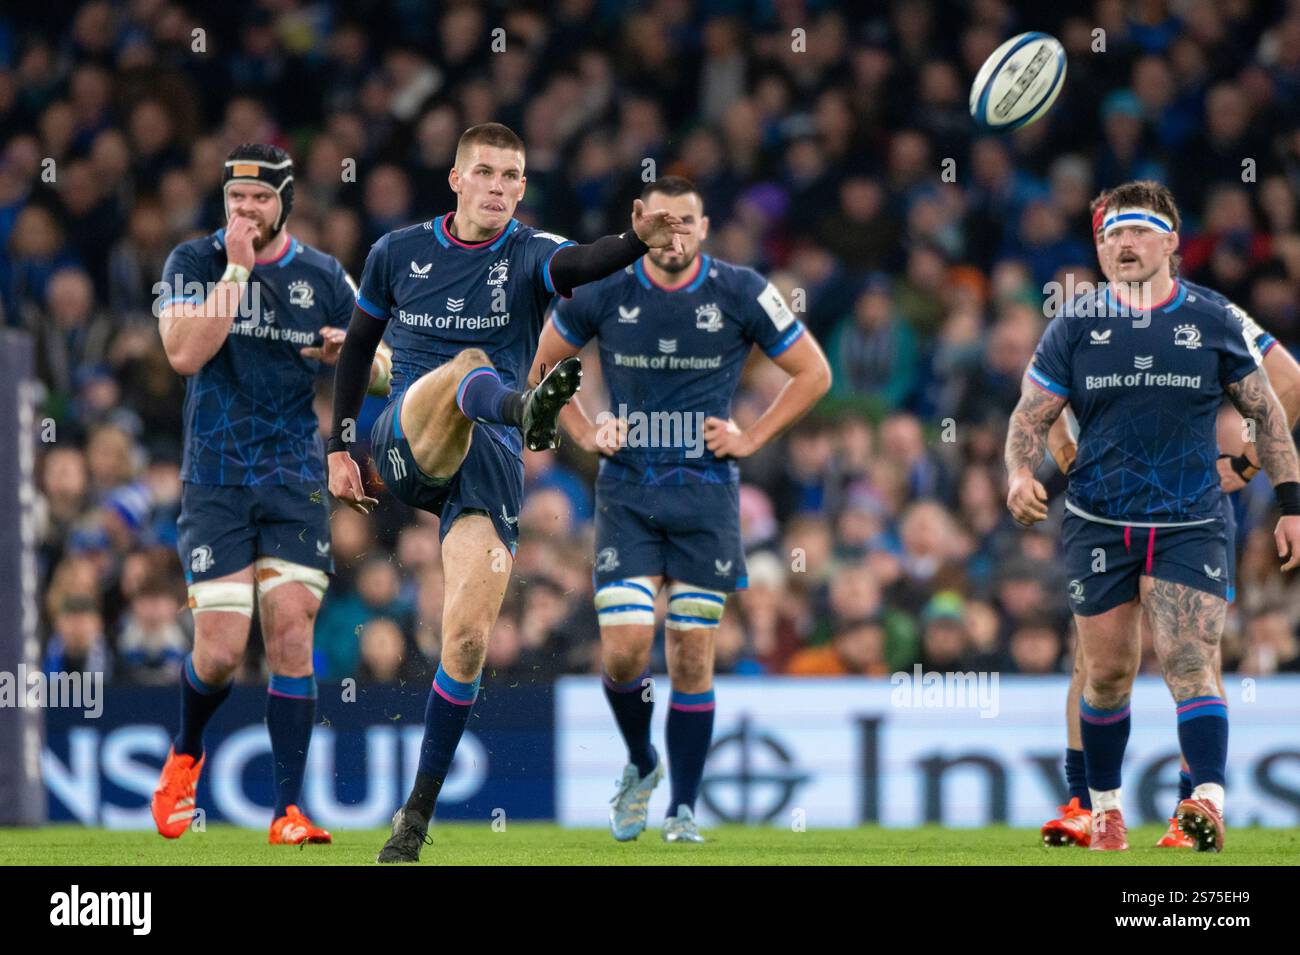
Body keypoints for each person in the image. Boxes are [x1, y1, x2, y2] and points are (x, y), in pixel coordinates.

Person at [326, 122, 689, 863]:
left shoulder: (529, 252)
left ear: (523, 188)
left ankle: (412, 823)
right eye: (485, 172)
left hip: (487, 464)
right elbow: (362, 346)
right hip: (408, 434)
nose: (498, 186)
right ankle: (527, 409)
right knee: (464, 368)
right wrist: (337, 445)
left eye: (511, 176)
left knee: (464, 642)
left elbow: (585, 262)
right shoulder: (397, 252)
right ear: (456, 180)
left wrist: (635, 237)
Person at [529, 176, 831, 843]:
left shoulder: (742, 289)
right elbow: (541, 365)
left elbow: (815, 372)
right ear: (638, 219)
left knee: (693, 656)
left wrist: (751, 436)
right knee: (623, 652)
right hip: (628, 495)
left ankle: (683, 809)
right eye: (662, 221)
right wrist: (583, 431)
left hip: (706, 498)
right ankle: (641, 761)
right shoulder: (604, 288)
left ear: (705, 224)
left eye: (687, 221)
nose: (676, 233)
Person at [1005, 179, 1300, 852]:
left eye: (1138, 230)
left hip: (1190, 518)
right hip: (1099, 519)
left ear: (1173, 242)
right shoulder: (1074, 322)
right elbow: (1033, 414)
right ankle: (1097, 807)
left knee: (1190, 659)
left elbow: (1274, 404)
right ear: (1098, 247)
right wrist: (1022, 471)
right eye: (1111, 233)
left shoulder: (1215, 316)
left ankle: (1203, 803)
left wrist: (1281, 494)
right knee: (1103, 670)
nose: (1124, 243)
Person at [150, 143, 392, 846]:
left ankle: (287, 811)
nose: (245, 210)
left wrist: (346, 353)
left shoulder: (322, 274)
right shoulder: (193, 262)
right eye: (235, 198)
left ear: (284, 201)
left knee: (291, 629)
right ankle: (188, 749)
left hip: (291, 475)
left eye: (259, 199)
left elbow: (380, 368)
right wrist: (236, 269)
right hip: (215, 476)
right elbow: (184, 354)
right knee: (221, 650)